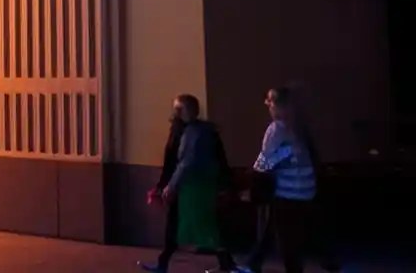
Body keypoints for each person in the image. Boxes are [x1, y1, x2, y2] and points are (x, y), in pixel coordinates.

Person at [238, 86, 339, 273]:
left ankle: (290, 267)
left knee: (286, 238)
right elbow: (301, 154)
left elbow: (267, 159)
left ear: (278, 105)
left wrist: (255, 172)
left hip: (287, 190)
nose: (266, 104)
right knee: (294, 227)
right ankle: (255, 260)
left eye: (269, 100)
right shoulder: (300, 126)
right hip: (307, 189)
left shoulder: (276, 128)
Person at [139, 94, 236, 272]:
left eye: (179, 108)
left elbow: (188, 161)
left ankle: (227, 263)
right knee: (179, 225)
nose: (176, 113)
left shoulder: (198, 132)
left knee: (205, 226)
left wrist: (171, 185)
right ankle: (164, 262)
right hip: (182, 185)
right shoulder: (178, 130)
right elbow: (170, 161)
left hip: (192, 186)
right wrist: (163, 185)